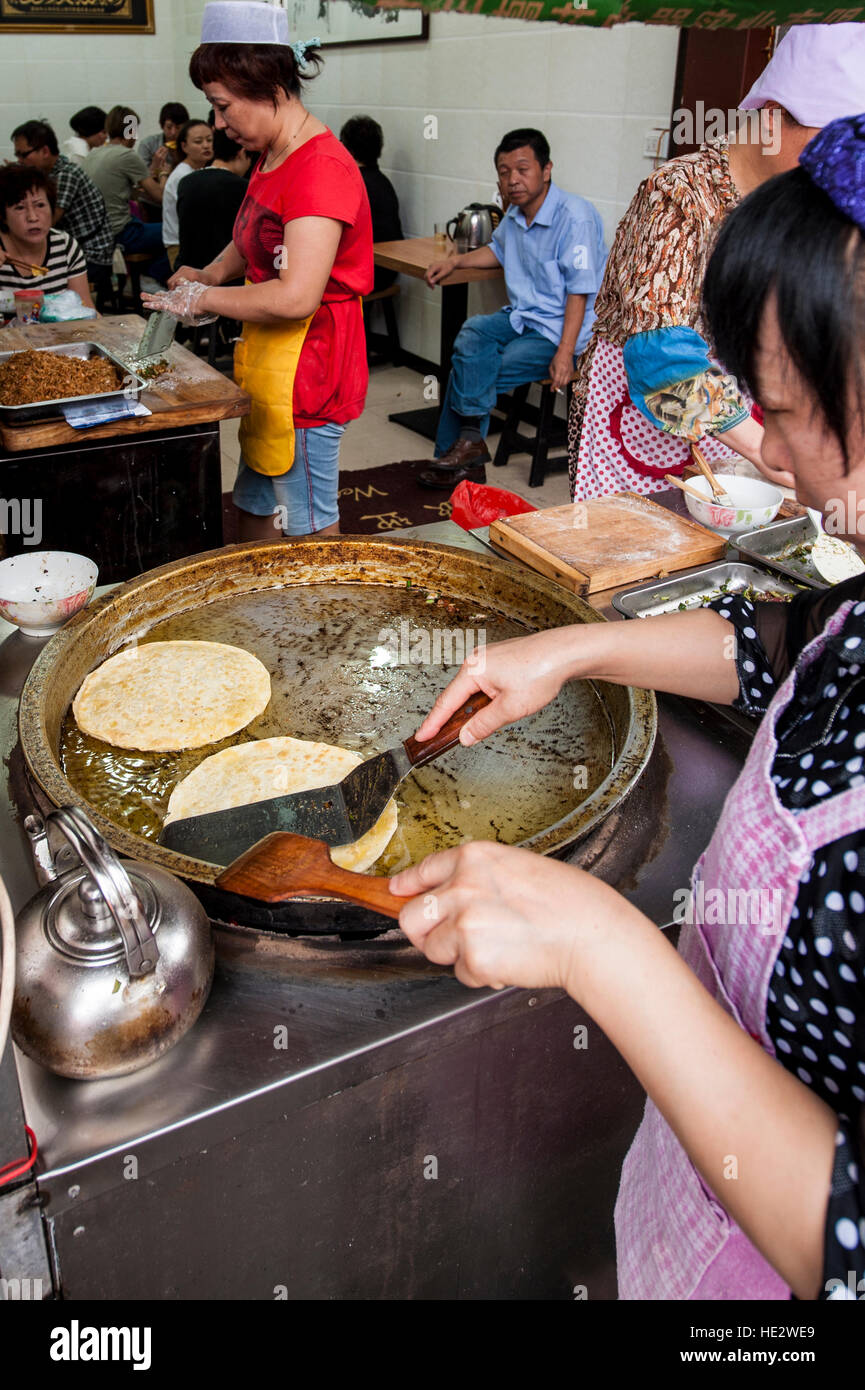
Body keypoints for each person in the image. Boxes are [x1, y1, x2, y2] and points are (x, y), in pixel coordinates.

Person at [388, 112, 865, 1302]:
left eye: (791, 412)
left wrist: (603, 945)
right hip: (684, 1212)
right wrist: (574, 649)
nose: (781, 462)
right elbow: (788, 652)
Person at [567, 22, 865, 503]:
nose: (830, 170)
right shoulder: (677, 196)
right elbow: (661, 365)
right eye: (821, 148)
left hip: (740, 426)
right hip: (636, 422)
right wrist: (767, 450)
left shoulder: (791, 207)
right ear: (771, 119)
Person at [142, 0, 372, 542]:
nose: (218, 123)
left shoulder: (320, 169)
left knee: (306, 521)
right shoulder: (273, 154)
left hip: (309, 368)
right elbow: (253, 239)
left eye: (222, 107)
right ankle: (255, 611)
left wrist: (201, 299)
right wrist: (214, 271)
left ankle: (324, 620)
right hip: (270, 359)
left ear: (266, 86)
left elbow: (295, 297)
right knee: (255, 495)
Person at [405, 127, 606, 490]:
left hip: (563, 330)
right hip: (522, 317)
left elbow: (579, 292)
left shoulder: (576, 217)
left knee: (470, 370)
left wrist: (565, 353)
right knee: (472, 334)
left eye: (522, 169)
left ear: (546, 170)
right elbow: (497, 251)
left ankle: (458, 460)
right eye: (503, 171)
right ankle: (467, 451)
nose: (512, 179)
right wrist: (456, 262)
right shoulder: (514, 214)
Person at [11, 119, 113, 293]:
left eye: (23, 155)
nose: (19, 161)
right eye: (17, 156)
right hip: (73, 247)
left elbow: (46, 223)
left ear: (44, 151)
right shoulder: (48, 175)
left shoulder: (66, 174)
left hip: (91, 255)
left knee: (28, 278)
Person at [86, 105, 169, 286]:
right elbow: (160, 197)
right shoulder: (127, 155)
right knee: (178, 232)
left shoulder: (94, 153)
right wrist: (163, 173)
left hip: (97, 233)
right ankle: (153, 277)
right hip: (121, 233)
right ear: (131, 131)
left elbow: (124, 190)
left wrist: (151, 169)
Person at [0, 165, 93, 307]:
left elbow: (85, 309)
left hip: (59, 330)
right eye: (20, 208)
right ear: (3, 217)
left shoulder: (64, 245)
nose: (32, 217)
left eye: (40, 205)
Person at [339, 115, 402, 292]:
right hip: (388, 270)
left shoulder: (352, 184)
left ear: (347, 149)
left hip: (366, 272)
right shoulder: (383, 181)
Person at [176, 128, 251, 276]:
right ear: (242, 153)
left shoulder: (186, 182)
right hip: (227, 278)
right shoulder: (243, 188)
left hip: (188, 273)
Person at [161, 120, 214, 271]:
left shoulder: (200, 171)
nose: (206, 145)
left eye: (209, 140)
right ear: (184, 146)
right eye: (198, 141)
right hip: (180, 246)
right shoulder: (182, 176)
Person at [138, 102, 190, 171]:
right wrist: (155, 165)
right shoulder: (147, 144)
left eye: (178, 128)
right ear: (161, 125)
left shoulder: (191, 144)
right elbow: (141, 178)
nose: (173, 132)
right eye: (169, 127)